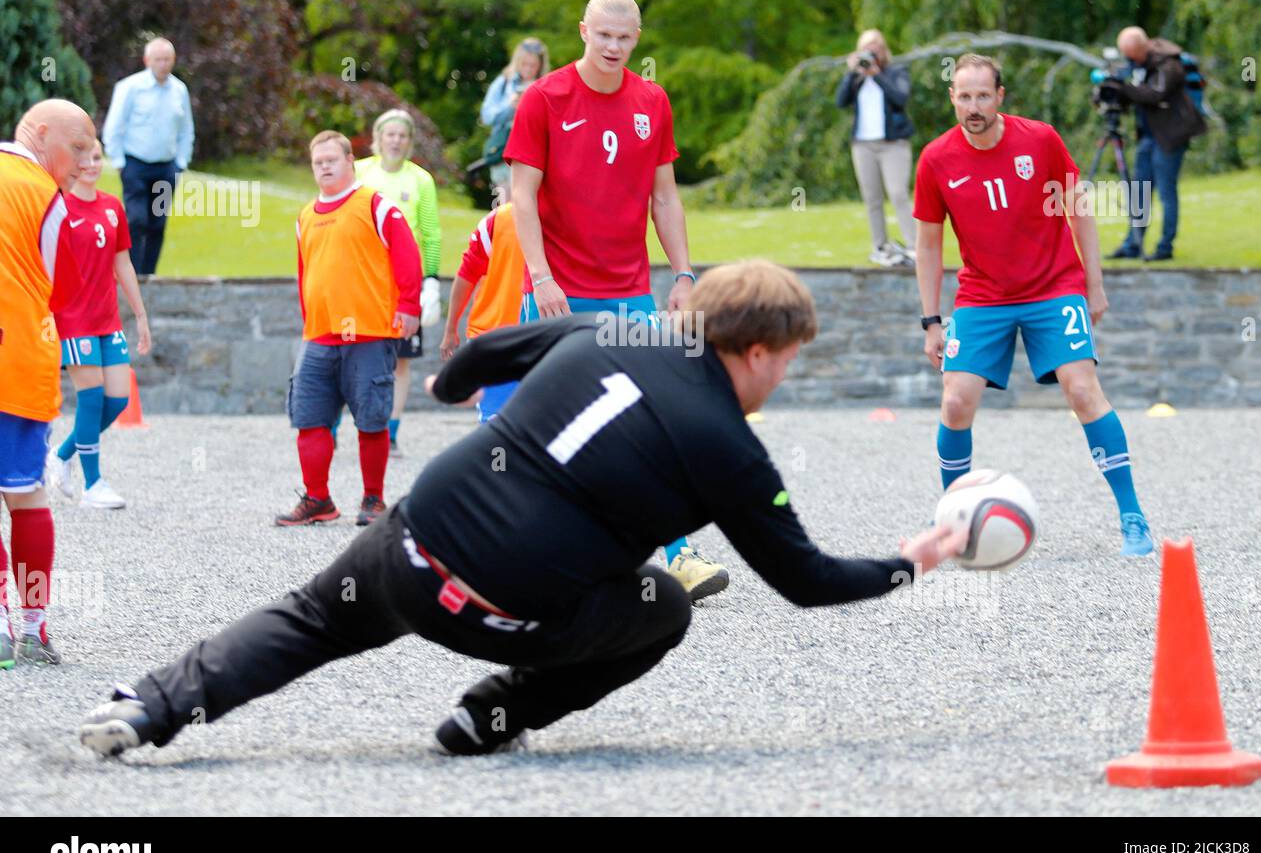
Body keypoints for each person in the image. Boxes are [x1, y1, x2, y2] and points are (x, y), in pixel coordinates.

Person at [78, 260, 967, 758]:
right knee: (664, 606)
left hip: (409, 552)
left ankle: (147, 708)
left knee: (310, 617)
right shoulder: (732, 451)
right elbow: (807, 583)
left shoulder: (609, 330)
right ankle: (489, 716)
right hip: (506, 616)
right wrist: (915, 558)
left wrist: (446, 378)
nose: (786, 377)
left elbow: (491, 349)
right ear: (761, 350)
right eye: (790, 361)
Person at [505, 0, 727, 599]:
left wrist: (683, 275)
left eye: (624, 38)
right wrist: (541, 276)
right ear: (583, 30)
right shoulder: (543, 98)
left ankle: (679, 554)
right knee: (551, 427)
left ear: (637, 39)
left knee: (649, 421)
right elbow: (521, 196)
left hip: (629, 292)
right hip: (556, 295)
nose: (613, 46)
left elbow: (665, 198)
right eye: (603, 34)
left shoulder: (652, 101)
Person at [913, 54, 1153, 557]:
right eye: (964, 96)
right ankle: (951, 524)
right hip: (981, 295)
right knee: (956, 401)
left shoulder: (1039, 139)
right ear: (951, 98)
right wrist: (931, 320)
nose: (973, 106)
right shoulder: (936, 159)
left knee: (1082, 389)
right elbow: (930, 245)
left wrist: (1094, 283)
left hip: (1053, 287)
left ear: (1000, 96)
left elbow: (1078, 206)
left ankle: (1132, 517)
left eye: (983, 95)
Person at [275, 131, 422, 528]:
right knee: (308, 417)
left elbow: (408, 255)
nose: (324, 166)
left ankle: (373, 500)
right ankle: (318, 499)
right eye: (317, 162)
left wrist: (410, 305)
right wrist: (309, 320)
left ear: (349, 161)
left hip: (371, 333)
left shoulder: (375, 206)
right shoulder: (305, 216)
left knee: (372, 419)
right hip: (320, 336)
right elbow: (306, 273)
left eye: (331, 160)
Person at [0, 99, 97, 667]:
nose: (84, 161)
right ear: (38, 134)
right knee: (26, 493)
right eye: (77, 147)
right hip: (21, 360)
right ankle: (34, 628)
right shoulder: (49, 201)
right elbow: (59, 291)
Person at [47, 140, 152, 509]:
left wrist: (140, 314)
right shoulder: (57, 206)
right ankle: (93, 485)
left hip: (108, 320)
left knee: (118, 400)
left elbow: (122, 264)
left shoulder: (112, 206)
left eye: (96, 157)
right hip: (73, 320)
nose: (91, 164)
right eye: (84, 158)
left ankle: (61, 454)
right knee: (91, 398)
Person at [354, 109, 443, 458]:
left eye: (402, 135)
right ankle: (356, 425)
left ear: (409, 141)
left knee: (400, 360)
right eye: (389, 134)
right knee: (357, 352)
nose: (395, 140)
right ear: (377, 137)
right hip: (366, 278)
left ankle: (390, 432)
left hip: (406, 281)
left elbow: (432, 234)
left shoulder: (421, 180)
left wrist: (431, 280)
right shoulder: (360, 173)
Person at [1106, 27, 1206, 262]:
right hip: (1149, 137)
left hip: (1170, 136)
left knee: (1166, 192)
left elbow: (1154, 95)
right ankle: (1133, 243)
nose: (1130, 61)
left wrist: (1123, 88)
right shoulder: (1139, 65)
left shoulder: (1168, 64)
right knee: (1140, 192)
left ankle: (1165, 247)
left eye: (1132, 55)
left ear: (1144, 47)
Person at [102, 37, 195, 275]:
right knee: (136, 220)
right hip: (135, 165)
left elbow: (186, 130)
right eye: (158, 59)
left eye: (167, 60)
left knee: (157, 224)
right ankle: (131, 274)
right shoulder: (130, 88)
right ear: (147, 60)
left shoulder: (179, 90)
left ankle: (149, 274)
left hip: (166, 168)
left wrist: (181, 163)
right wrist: (120, 163)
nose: (163, 64)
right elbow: (113, 128)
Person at [836, 30, 918, 268]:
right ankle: (880, 246)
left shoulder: (896, 72)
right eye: (866, 48)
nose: (871, 53)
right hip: (863, 144)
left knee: (898, 193)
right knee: (872, 198)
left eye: (875, 48)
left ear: (883, 50)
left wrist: (877, 74)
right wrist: (852, 73)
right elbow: (840, 102)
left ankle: (914, 246)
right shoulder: (857, 78)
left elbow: (901, 98)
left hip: (893, 144)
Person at [439, 200, 526, 422]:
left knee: (495, 424)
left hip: (496, 336)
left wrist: (451, 329)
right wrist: (450, 329)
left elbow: (467, 273)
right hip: (503, 336)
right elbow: (467, 273)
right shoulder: (498, 220)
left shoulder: (498, 218)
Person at [480, 38, 548, 205]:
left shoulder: (545, 85)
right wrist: (510, 106)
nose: (528, 69)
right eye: (525, 64)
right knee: (505, 209)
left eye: (533, 65)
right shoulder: (504, 82)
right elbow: (487, 116)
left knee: (527, 205)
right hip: (504, 152)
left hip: (531, 154)